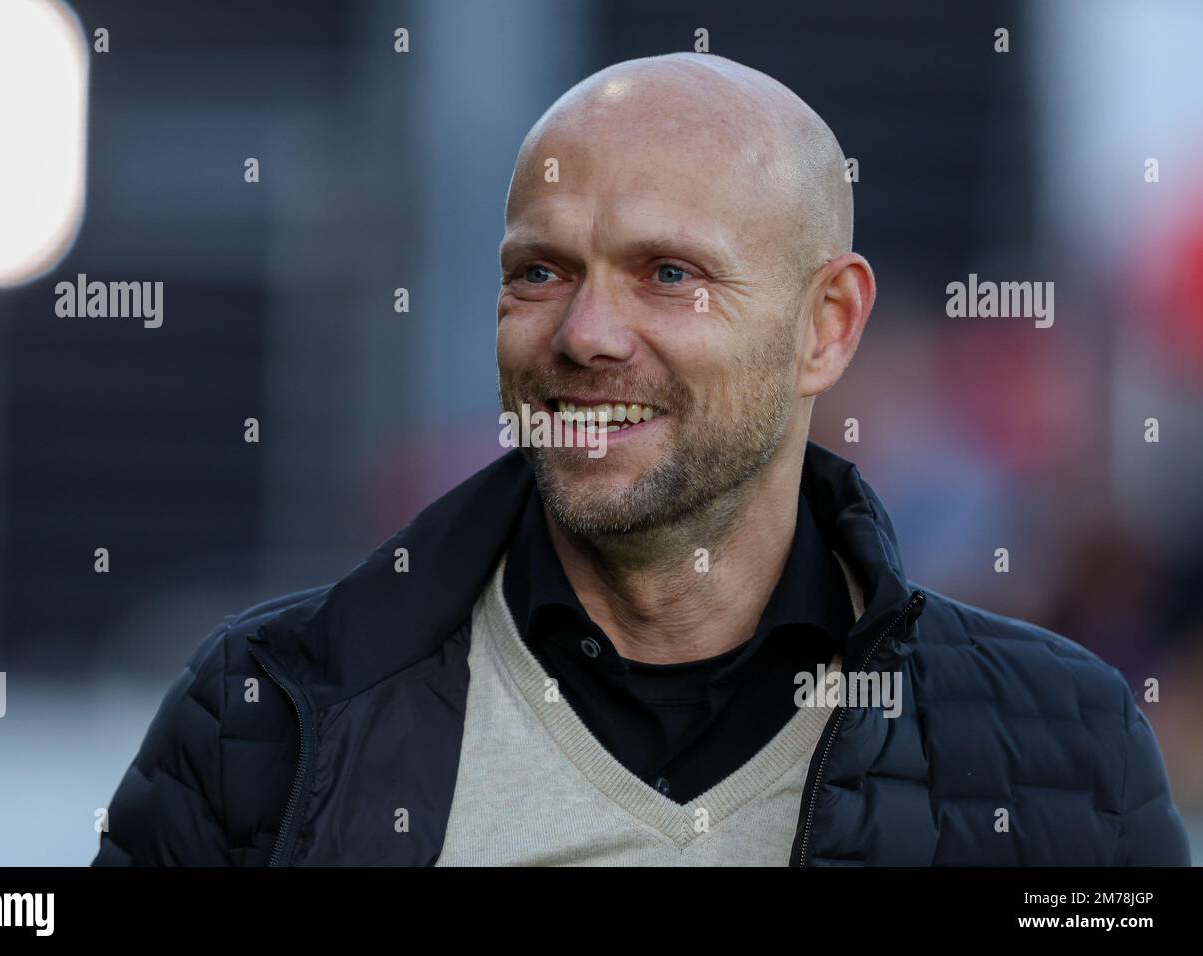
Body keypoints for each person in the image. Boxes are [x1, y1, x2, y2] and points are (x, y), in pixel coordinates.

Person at [93, 53, 1189, 866]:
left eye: (668, 273)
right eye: (538, 272)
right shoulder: (267, 716)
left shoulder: (1060, 747)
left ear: (826, 326)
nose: (584, 334)